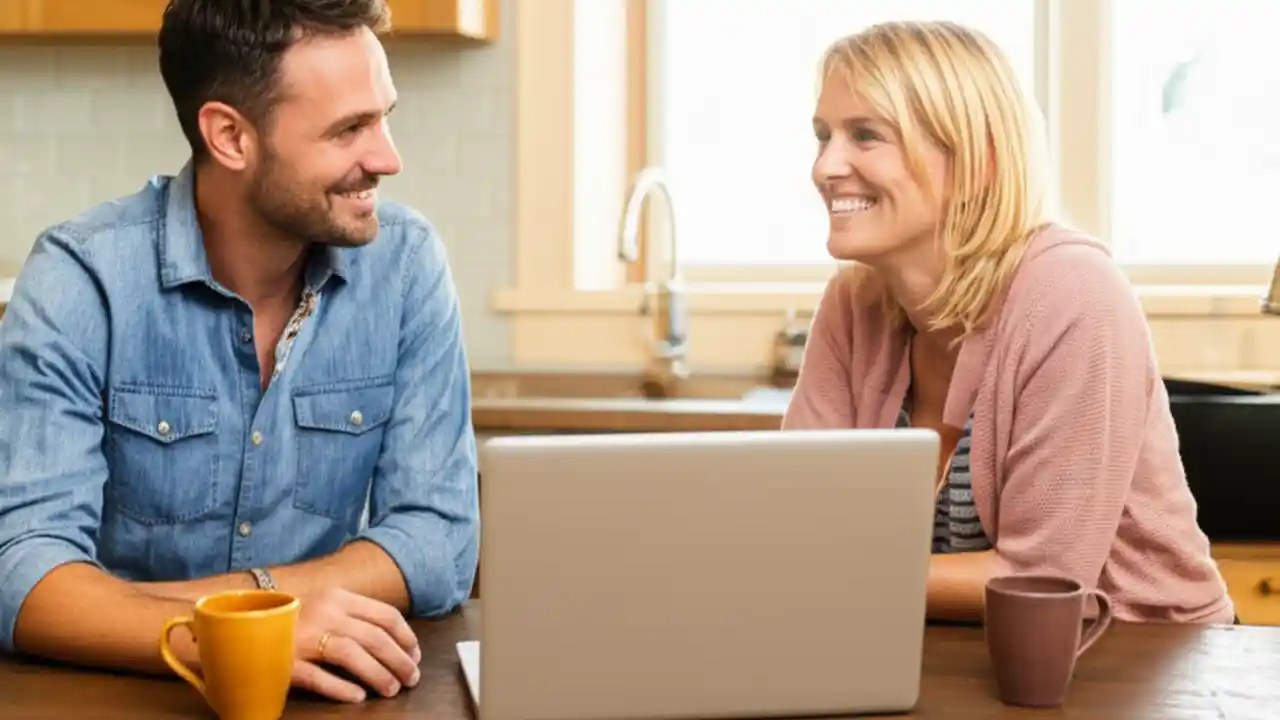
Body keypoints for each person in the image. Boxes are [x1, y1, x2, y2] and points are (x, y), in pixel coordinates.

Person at [0, 0, 479, 704]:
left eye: (384, 116)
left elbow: (437, 544)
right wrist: (245, 632)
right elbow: (25, 576)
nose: (387, 157)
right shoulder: (81, 281)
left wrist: (154, 607)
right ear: (230, 137)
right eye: (349, 129)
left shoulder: (406, 266)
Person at [784, 20, 1234, 625]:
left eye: (866, 136)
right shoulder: (853, 303)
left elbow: (1042, 579)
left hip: (1143, 660)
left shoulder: (1074, 294)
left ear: (979, 160)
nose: (825, 167)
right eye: (823, 137)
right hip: (948, 649)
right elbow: (796, 522)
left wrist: (826, 572)